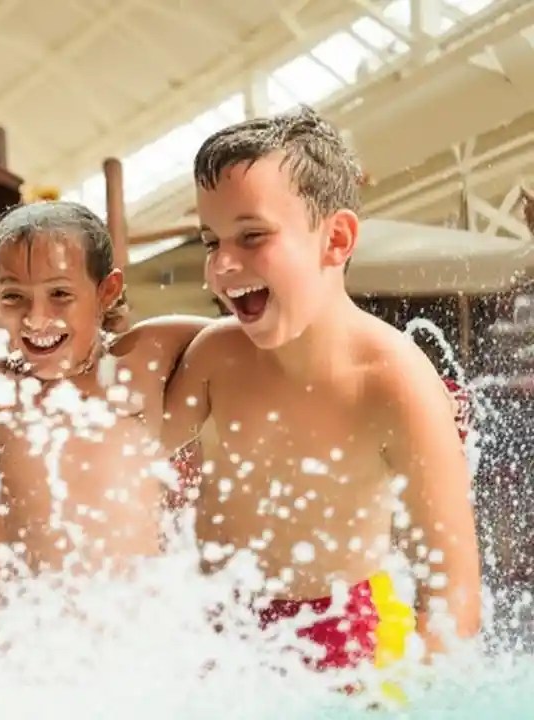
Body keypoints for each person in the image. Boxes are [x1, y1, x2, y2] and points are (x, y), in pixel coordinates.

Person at [162, 107, 481, 686]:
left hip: (346, 636)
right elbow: (120, 461)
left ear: (335, 239)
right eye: (212, 241)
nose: (222, 264)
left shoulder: (393, 383)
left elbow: (453, 594)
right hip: (221, 629)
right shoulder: (214, 358)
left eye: (252, 235)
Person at [0, 200, 209, 627]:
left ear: (107, 291)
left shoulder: (149, 355)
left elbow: (258, 342)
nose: (36, 318)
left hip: (142, 633)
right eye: (14, 297)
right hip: (32, 636)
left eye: (60, 294)